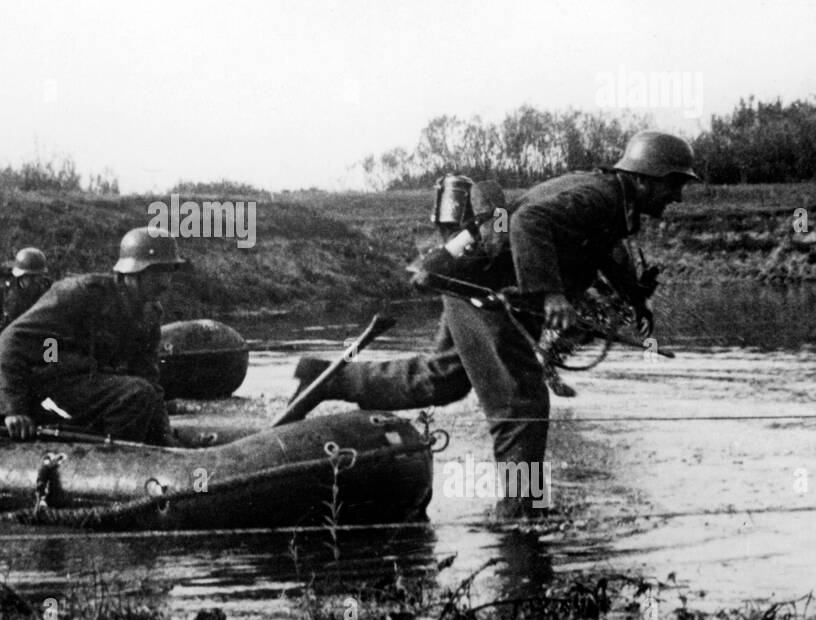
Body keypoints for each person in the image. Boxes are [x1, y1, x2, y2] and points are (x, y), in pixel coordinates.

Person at [291, 131, 699, 514]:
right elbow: (529, 222)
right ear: (647, 178)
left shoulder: (611, 201)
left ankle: (331, 379)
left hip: (481, 285)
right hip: (486, 292)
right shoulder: (597, 197)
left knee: (445, 378)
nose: (678, 196)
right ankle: (521, 511)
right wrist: (552, 293)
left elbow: (596, 253)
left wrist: (635, 300)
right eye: (674, 184)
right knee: (522, 404)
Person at [0, 228, 185, 444]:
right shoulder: (79, 293)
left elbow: (147, 375)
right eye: (158, 273)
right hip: (48, 386)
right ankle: (113, 461)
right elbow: (11, 338)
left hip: (88, 389)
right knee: (134, 394)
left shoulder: (149, 313)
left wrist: (164, 436)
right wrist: (13, 408)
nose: (165, 283)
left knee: (141, 391)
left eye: (169, 272)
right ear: (134, 272)